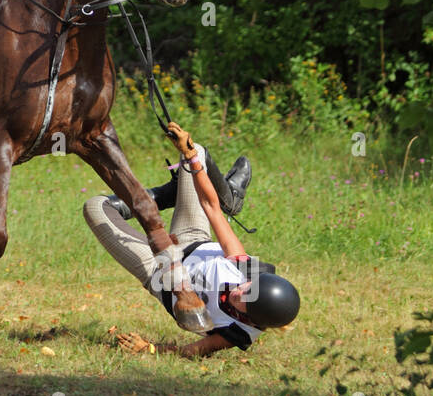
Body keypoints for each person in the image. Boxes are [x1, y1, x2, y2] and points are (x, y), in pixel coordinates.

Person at [83, 120, 300, 358]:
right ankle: (226, 197)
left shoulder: (238, 332)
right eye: (248, 287)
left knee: (94, 206)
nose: (240, 290)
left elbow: (191, 351)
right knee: (196, 151)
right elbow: (212, 208)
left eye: (244, 299)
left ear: (251, 318)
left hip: (157, 271)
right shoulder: (248, 269)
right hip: (193, 237)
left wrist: (151, 349)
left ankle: (155, 199)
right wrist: (191, 156)